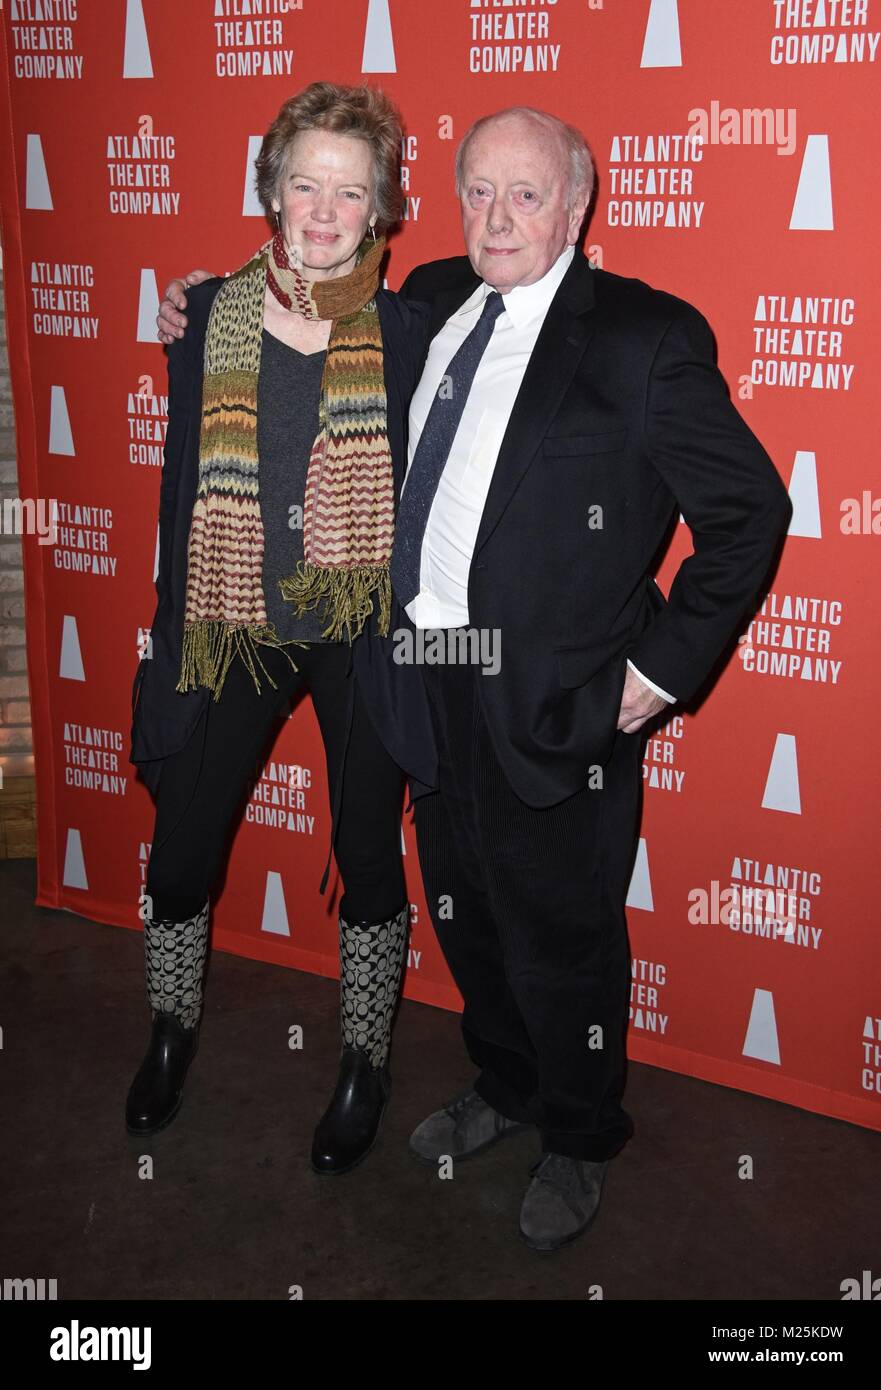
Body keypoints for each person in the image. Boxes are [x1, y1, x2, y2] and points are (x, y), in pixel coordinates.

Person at [157, 105, 792, 1251]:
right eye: (479, 193)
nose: (499, 218)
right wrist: (205, 301)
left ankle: (581, 1132)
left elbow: (749, 514)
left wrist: (653, 673)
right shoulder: (438, 299)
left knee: (563, 935)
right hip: (430, 674)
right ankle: (504, 1084)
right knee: (467, 913)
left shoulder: (642, 339)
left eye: (527, 195)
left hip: (554, 696)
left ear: (578, 205)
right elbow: (314, 292)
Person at [129, 81, 435, 1178]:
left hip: (355, 626)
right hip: (232, 620)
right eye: (304, 181)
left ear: (379, 207)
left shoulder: (408, 331)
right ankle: (170, 1029)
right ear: (272, 188)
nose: (322, 207)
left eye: (348, 190)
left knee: (365, 850)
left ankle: (362, 1060)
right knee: (181, 847)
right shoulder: (203, 312)